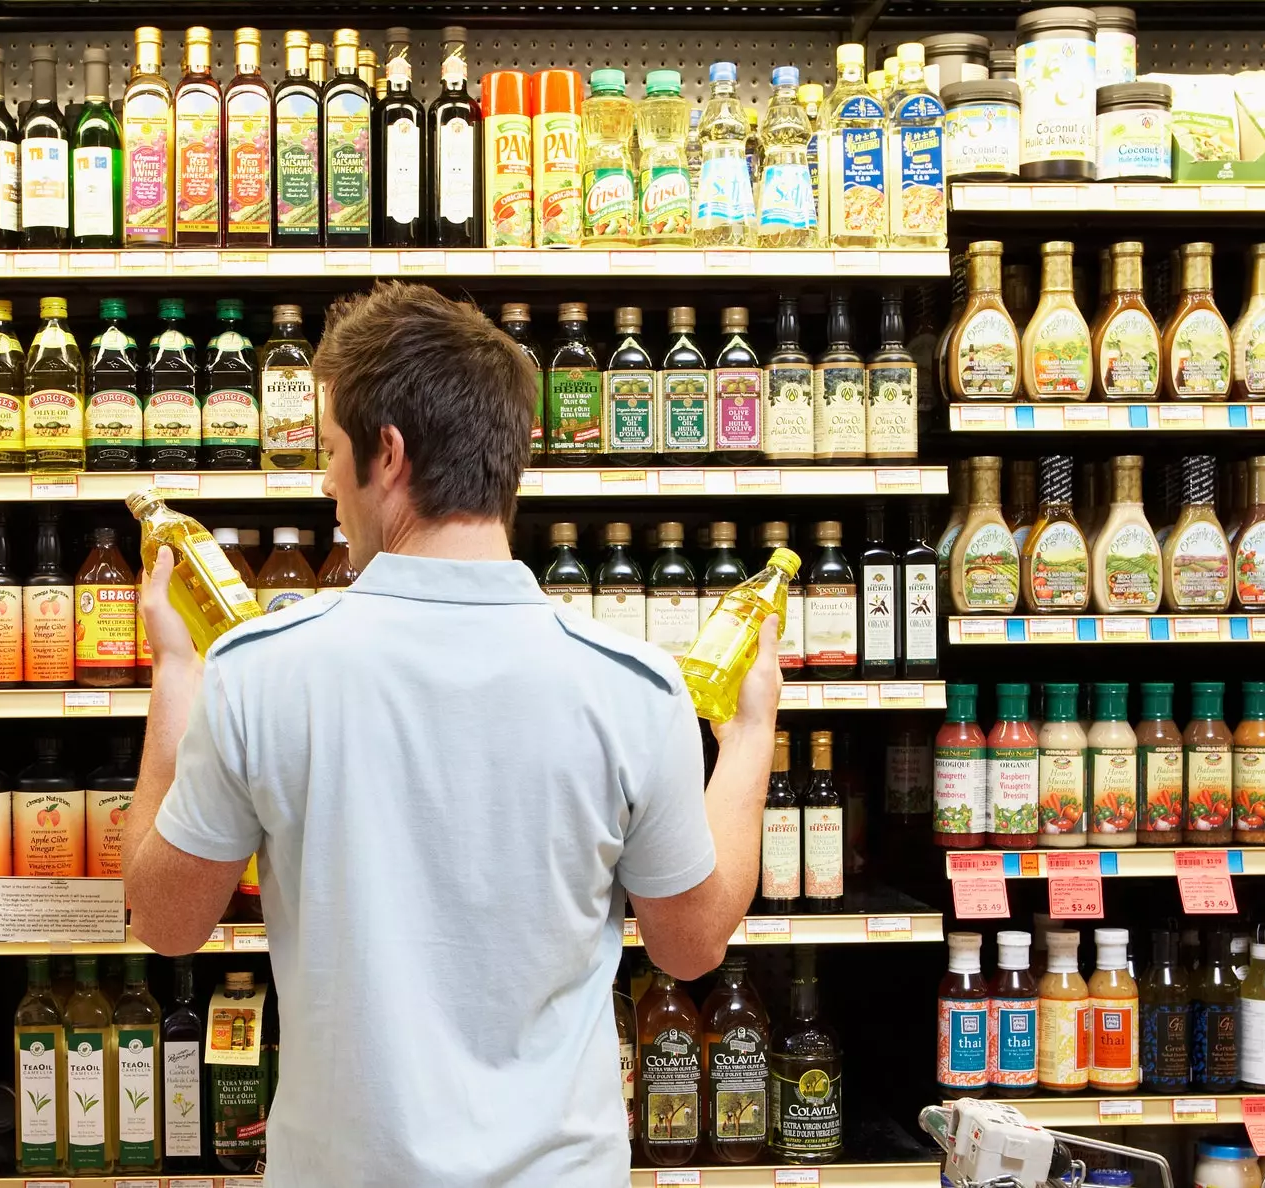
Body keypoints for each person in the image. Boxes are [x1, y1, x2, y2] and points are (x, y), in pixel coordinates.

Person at [123, 281, 778, 1185]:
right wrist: (751, 736)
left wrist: (177, 675)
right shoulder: (631, 688)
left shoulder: (260, 671)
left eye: (331, 450)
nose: (324, 482)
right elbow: (690, 944)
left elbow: (164, 920)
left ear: (387, 455)